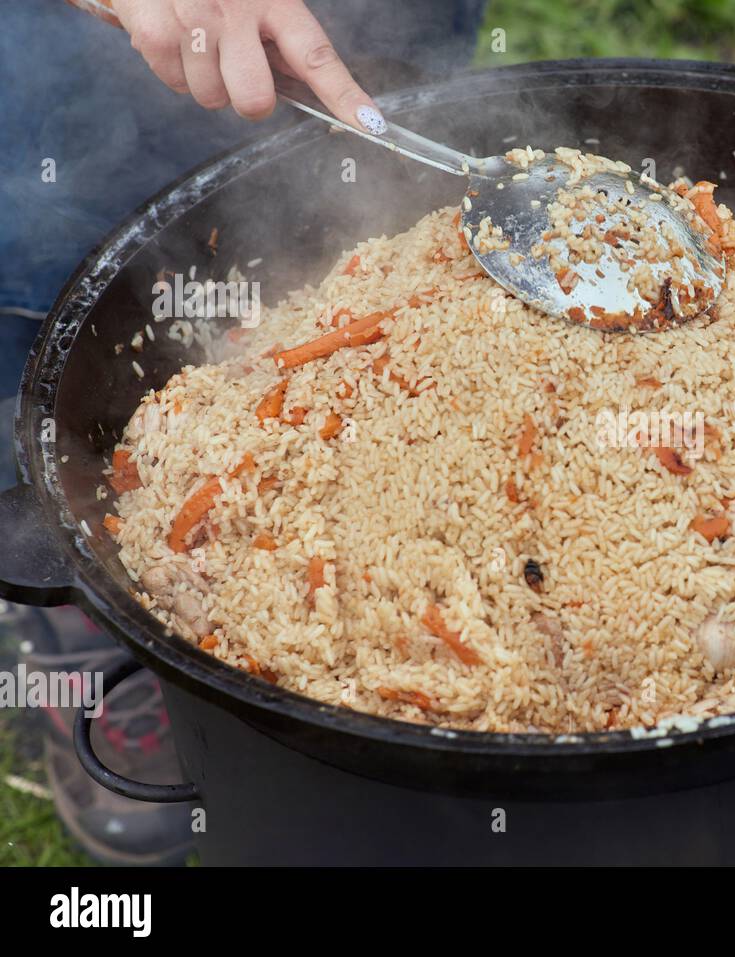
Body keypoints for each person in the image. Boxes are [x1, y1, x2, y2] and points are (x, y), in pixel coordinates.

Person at [0, 0, 486, 865]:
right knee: (45, 302)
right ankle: (89, 636)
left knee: (380, 113)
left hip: (365, 32)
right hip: (68, 81)